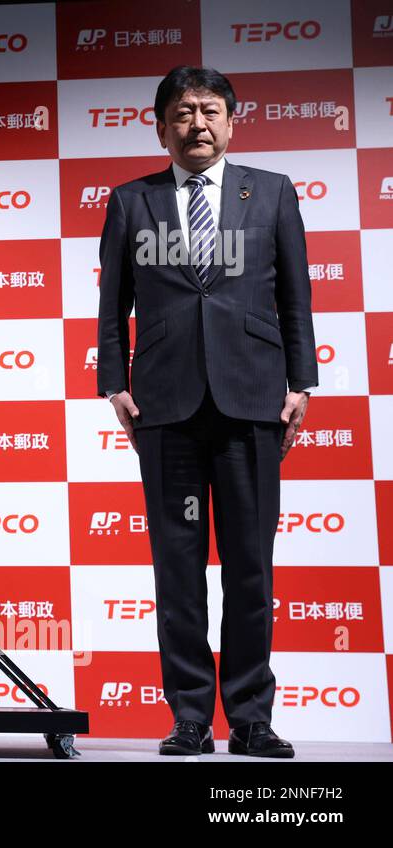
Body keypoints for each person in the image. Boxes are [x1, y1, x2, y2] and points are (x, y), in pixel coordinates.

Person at [97, 67, 317, 758]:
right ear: (160, 125)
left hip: (253, 398)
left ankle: (251, 715)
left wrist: (300, 381)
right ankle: (190, 715)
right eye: (184, 111)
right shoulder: (132, 201)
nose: (199, 123)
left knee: (252, 565)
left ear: (231, 121)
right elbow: (113, 309)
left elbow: (296, 298)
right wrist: (114, 383)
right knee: (178, 567)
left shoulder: (272, 194)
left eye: (211, 110)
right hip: (166, 405)